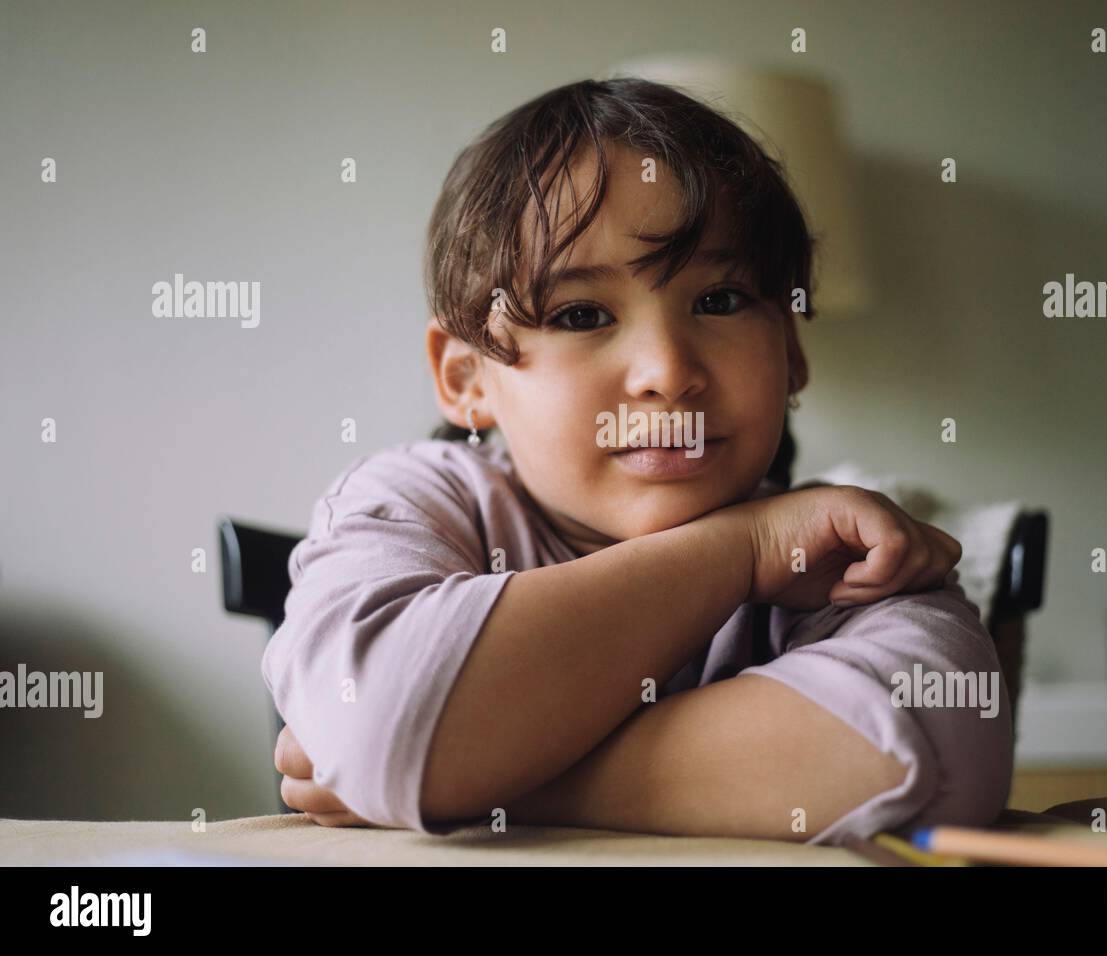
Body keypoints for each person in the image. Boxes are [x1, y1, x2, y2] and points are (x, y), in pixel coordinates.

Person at [264, 77, 1013, 846]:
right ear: (466, 380)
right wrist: (738, 551)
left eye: (719, 301)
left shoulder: (833, 550)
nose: (666, 370)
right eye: (581, 314)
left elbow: (932, 755)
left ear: (790, 350)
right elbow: (377, 716)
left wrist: (463, 773)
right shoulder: (417, 500)